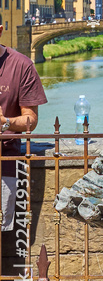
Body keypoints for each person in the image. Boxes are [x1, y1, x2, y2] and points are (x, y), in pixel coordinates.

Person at [0, 25, 47, 231]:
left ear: (0, 30)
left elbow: (31, 120)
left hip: (4, 161)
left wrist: (4, 122)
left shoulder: (21, 65)